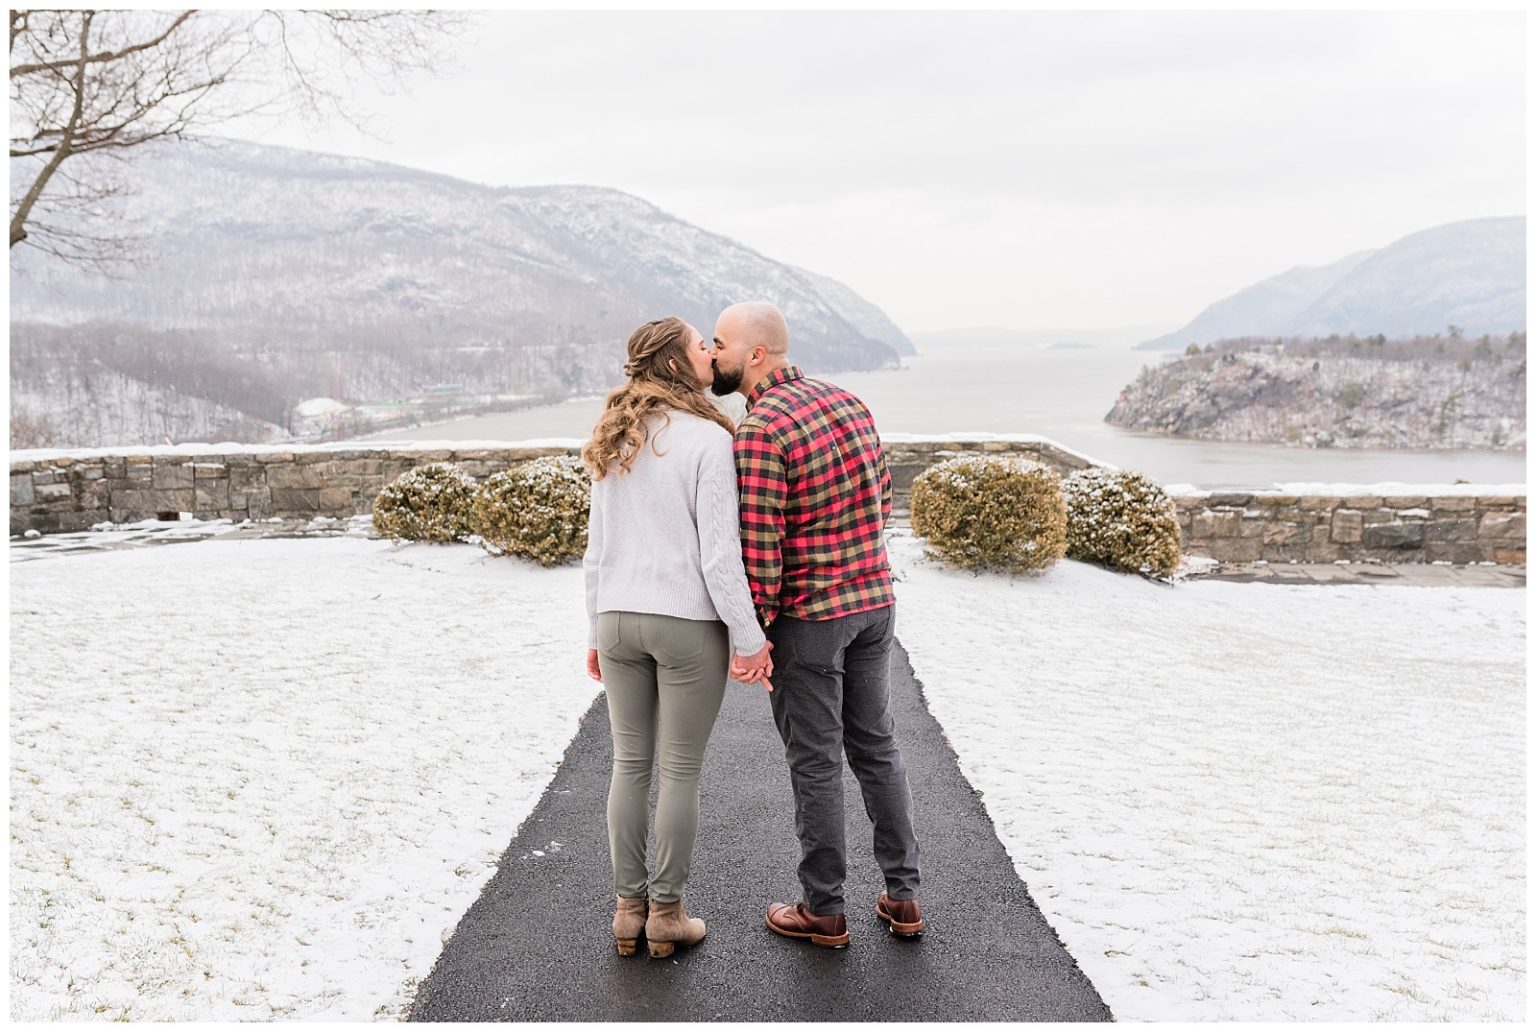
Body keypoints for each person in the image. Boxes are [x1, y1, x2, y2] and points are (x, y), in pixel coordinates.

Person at [711, 301, 924, 949]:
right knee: (876, 746)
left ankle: (824, 909)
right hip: (874, 603)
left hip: (810, 619)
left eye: (718, 343)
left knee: (816, 761)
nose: (710, 353)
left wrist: (753, 637)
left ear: (754, 355)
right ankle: (903, 897)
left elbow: (761, 551)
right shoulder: (850, 403)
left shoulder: (760, 432)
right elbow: (883, 499)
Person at [581, 316, 774, 959]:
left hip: (616, 620)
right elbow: (720, 558)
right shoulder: (707, 441)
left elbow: (597, 552)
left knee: (629, 766)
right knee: (681, 772)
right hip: (685, 623)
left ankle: (626, 911)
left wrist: (594, 630)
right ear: (674, 364)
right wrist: (748, 640)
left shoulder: (614, 437)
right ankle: (666, 914)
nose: (710, 354)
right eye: (700, 346)